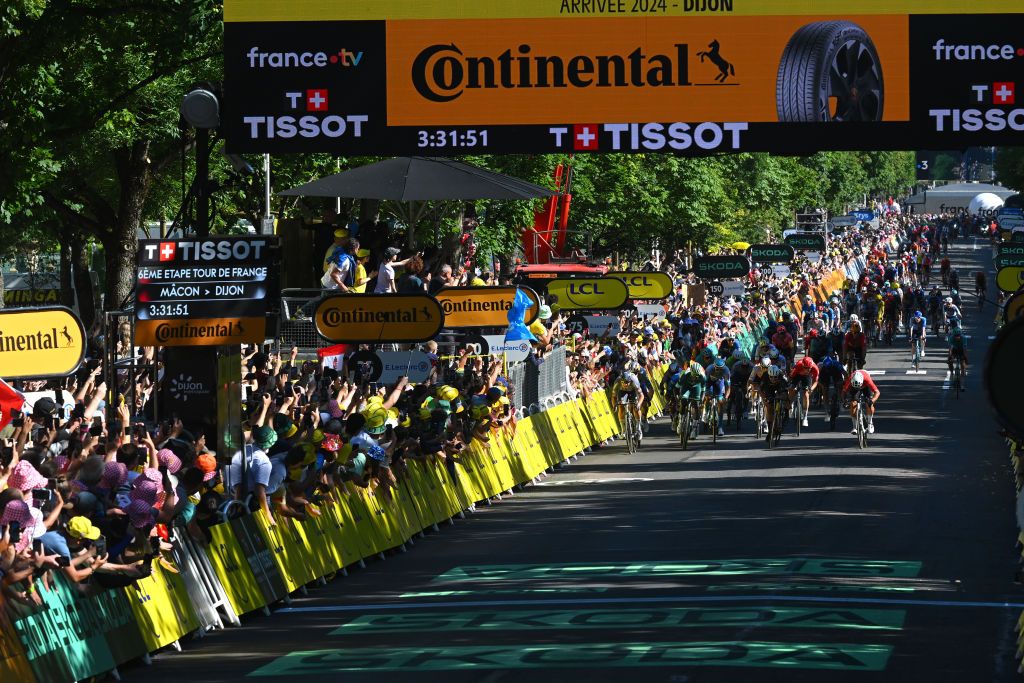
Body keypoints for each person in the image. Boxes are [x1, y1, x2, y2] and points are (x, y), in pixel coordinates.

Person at [611, 362, 644, 444]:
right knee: (621, 406)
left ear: (630, 381)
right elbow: (613, 396)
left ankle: (638, 427)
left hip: (633, 391)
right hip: (622, 392)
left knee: (636, 407)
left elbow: (641, 396)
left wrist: (639, 404)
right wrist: (614, 405)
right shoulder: (618, 381)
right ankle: (623, 429)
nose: (626, 384)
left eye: (627, 382)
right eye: (624, 382)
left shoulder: (634, 380)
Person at [843, 370, 880, 435]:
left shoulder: (867, 379)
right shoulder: (850, 378)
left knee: (869, 404)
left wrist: (872, 401)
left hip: (866, 386)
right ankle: (854, 427)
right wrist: (845, 401)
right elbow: (844, 391)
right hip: (854, 388)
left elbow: (877, 392)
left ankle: (870, 423)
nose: (858, 387)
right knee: (853, 403)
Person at [817, 350, 847, 429]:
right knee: (824, 390)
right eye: (826, 367)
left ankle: (840, 402)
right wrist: (821, 385)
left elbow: (845, 374)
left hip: (836, 373)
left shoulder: (836, 364)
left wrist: (845, 384)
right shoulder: (820, 366)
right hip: (824, 375)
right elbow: (816, 378)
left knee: (839, 385)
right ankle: (827, 412)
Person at [788, 356, 819, 428]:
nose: (807, 370)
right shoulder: (798, 365)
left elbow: (816, 381)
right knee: (791, 388)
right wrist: (790, 386)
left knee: (806, 394)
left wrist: (811, 388)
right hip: (797, 375)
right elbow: (791, 377)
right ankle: (791, 403)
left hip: (807, 378)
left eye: (809, 368)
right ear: (802, 365)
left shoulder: (815, 368)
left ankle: (805, 417)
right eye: (806, 368)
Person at [703, 358, 730, 437]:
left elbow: (728, 386)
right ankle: (706, 411)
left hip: (719, 382)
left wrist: (726, 397)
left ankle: (720, 427)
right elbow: (705, 384)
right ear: (714, 366)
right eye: (717, 369)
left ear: (723, 367)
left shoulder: (726, 371)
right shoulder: (709, 369)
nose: (718, 370)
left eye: (720, 369)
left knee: (720, 402)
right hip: (709, 382)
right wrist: (705, 394)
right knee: (708, 396)